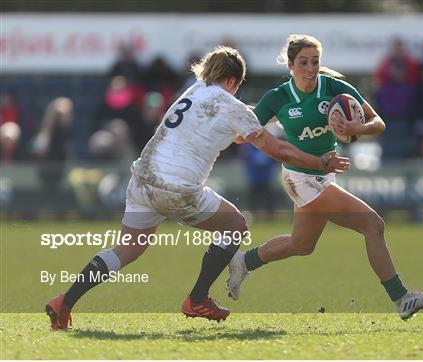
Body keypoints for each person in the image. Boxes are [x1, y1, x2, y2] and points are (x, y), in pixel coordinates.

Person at [45, 46, 350, 330]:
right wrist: (318, 162)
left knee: (127, 248)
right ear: (233, 80)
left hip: (141, 177)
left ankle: (65, 302)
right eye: (238, 85)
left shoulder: (192, 91)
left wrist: (260, 116)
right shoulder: (231, 105)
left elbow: (236, 133)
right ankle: (198, 299)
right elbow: (278, 151)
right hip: (176, 188)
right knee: (235, 227)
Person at [227, 35, 423, 321]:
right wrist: (239, 128)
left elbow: (378, 122)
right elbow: (245, 134)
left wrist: (358, 127)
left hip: (325, 177)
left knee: (302, 245)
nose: (311, 68)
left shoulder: (336, 88)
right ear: (291, 65)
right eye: (303, 62)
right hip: (300, 178)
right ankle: (402, 298)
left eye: (315, 61)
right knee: (373, 225)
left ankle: (243, 261)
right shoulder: (278, 97)